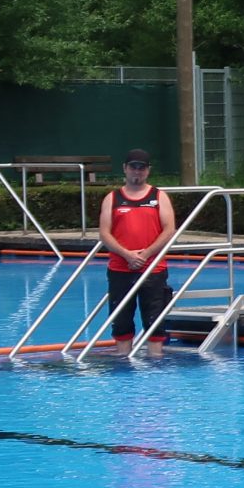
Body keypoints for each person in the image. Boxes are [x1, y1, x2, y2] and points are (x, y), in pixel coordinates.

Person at [97, 148, 178, 348]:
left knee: (154, 321)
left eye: (141, 168)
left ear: (148, 171)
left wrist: (145, 254)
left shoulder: (159, 197)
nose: (137, 172)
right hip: (120, 268)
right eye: (133, 167)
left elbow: (169, 230)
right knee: (121, 320)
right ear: (125, 169)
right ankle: (123, 365)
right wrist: (127, 255)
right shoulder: (112, 198)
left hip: (153, 268)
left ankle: (155, 364)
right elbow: (104, 234)